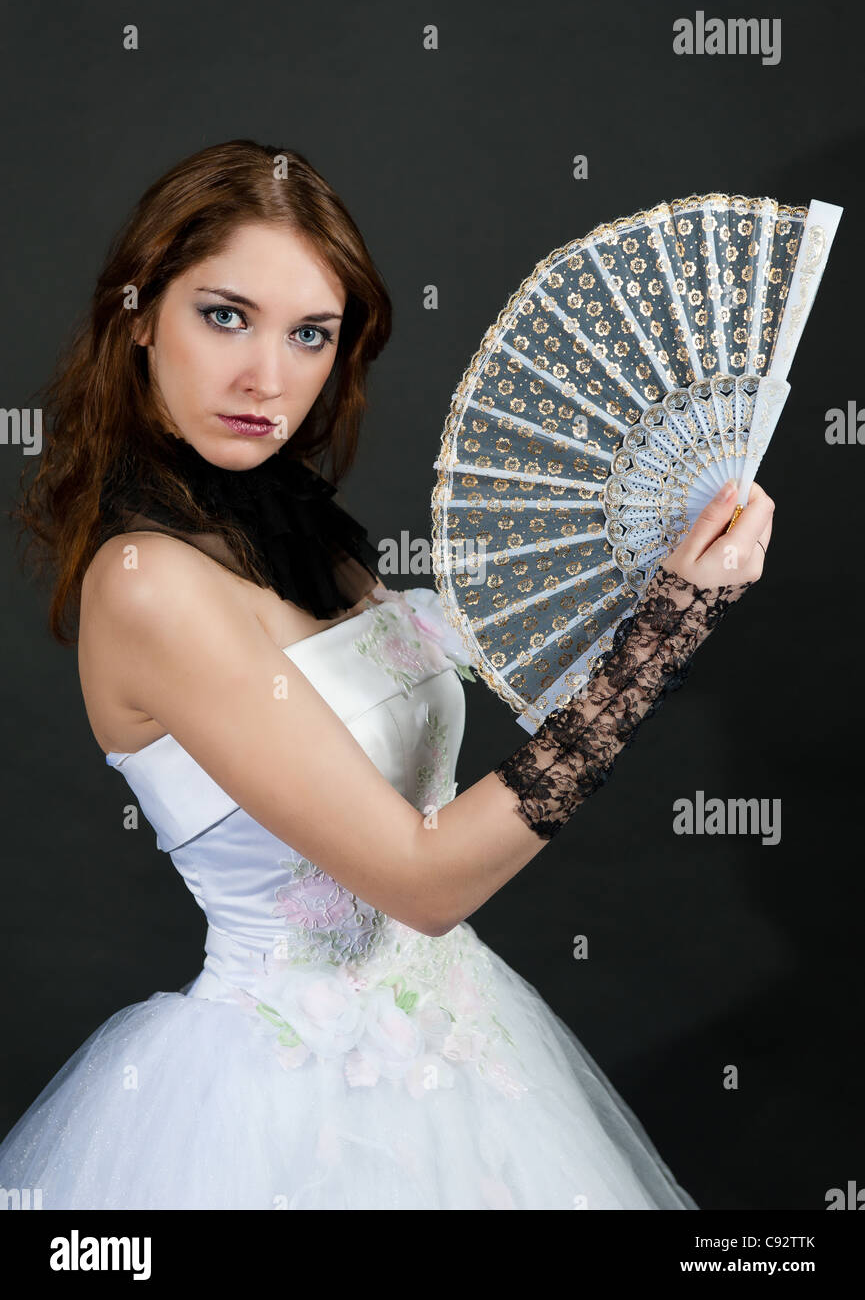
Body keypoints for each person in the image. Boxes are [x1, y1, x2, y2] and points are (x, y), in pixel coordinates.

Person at [0, 139, 773, 1210]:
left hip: (466, 1062)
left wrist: (662, 569)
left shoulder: (306, 534)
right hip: (284, 1108)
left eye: (309, 334)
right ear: (139, 314)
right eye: (224, 315)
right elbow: (421, 880)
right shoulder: (147, 583)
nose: (266, 378)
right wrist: (662, 641)